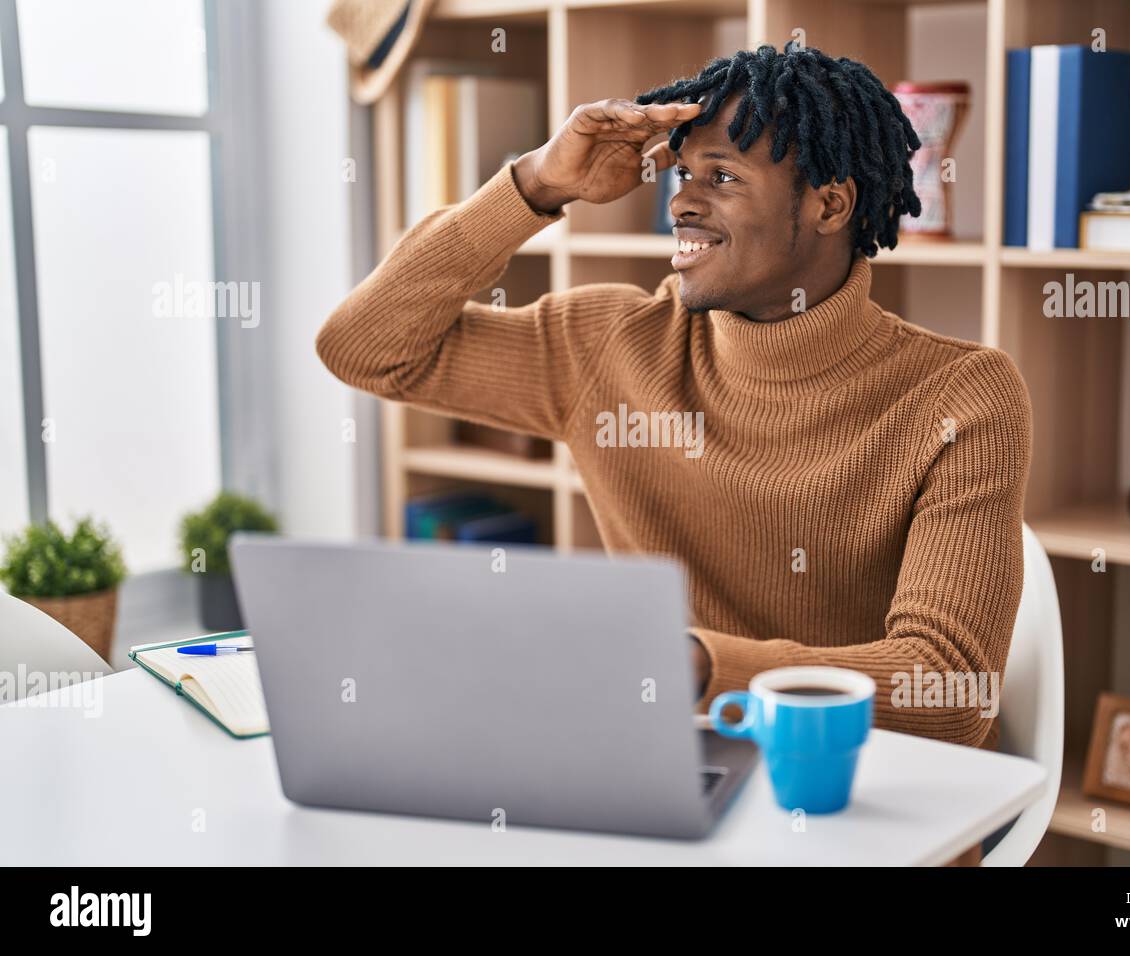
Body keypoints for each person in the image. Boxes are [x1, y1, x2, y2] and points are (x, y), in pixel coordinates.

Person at [317, 42, 1032, 749]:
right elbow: (362, 347)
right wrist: (535, 185)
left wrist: (696, 667)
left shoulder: (961, 396)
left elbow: (950, 688)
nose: (681, 203)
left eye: (721, 177)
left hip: (872, 796)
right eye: (682, 174)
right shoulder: (609, 345)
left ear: (830, 204)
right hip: (669, 766)